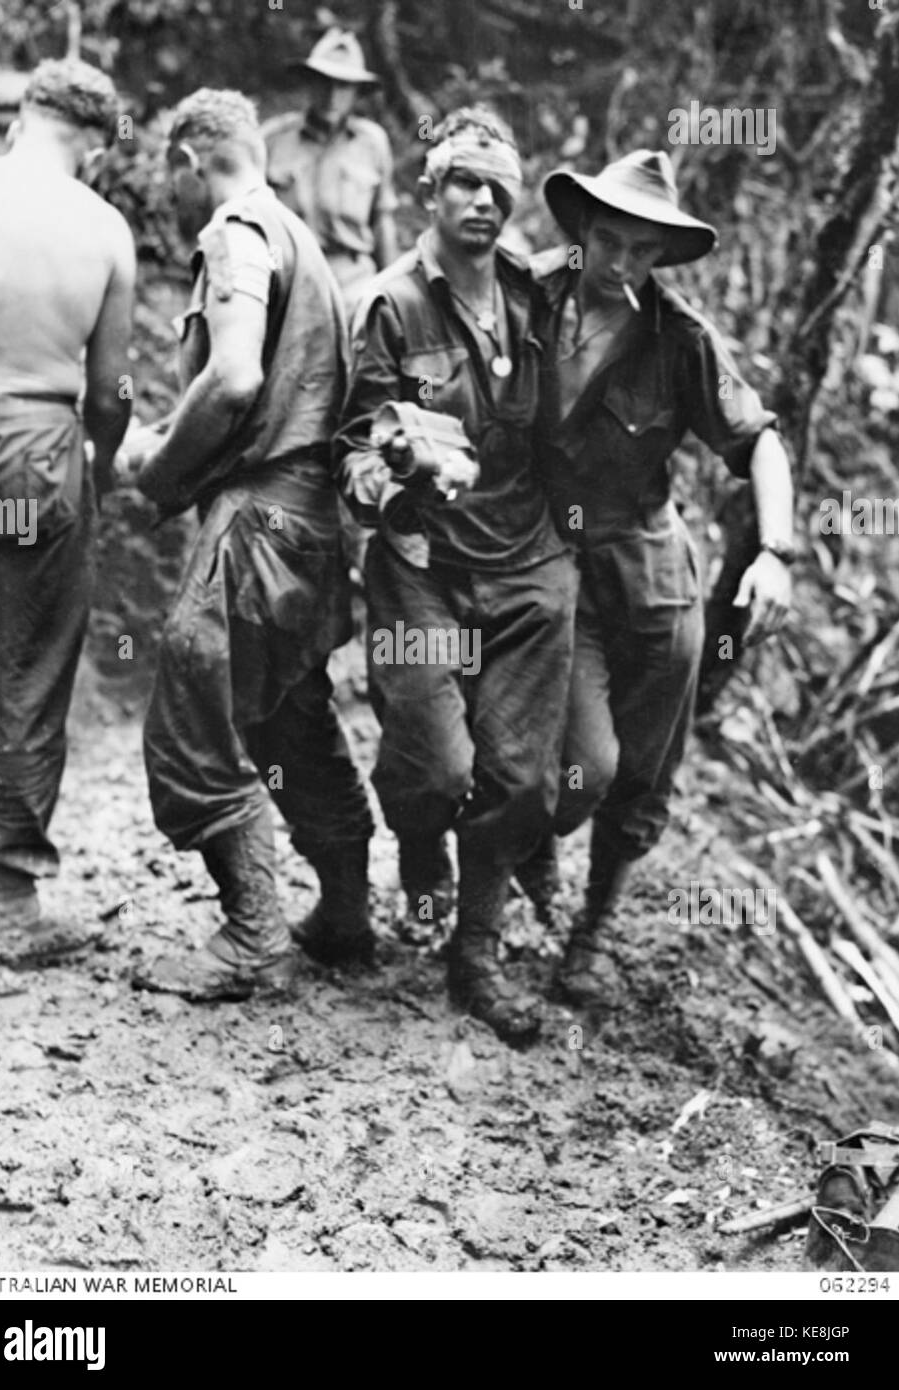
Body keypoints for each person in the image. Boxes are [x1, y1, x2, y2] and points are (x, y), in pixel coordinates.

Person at [120, 88, 374, 1003]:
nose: (169, 193)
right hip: (305, 520)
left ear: (190, 160)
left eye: (167, 174)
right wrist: (171, 435)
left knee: (193, 705)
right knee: (285, 713)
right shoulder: (298, 237)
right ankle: (345, 915)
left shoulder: (233, 233)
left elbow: (233, 379)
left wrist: (156, 479)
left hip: (257, 522)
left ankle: (252, 935)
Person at [530, 148, 794, 1012]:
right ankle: (530, 842)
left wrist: (776, 553)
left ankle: (591, 936)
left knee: (640, 774)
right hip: (552, 573)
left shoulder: (678, 339)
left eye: (641, 251)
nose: (619, 265)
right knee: (580, 766)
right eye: (607, 241)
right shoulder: (525, 297)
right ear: (581, 232)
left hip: (650, 587)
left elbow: (757, 439)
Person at [335, 108, 579, 1045]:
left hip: (527, 567)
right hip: (423, 567)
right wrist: (401, 472)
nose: (480, 202)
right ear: (426, 192)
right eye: (460, 184)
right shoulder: (389, 304)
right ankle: (418, 849)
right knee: (434, 767)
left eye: (497, 188)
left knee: (521, 780)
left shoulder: (540, 292)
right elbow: (353, 449)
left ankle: (475, 953)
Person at [0, 59, 135, 969]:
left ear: (23, 114)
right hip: (37, 452)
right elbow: (109, 393)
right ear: (96, 148)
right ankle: (11, 911)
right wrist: (96, 460)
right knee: (26, 671)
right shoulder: (102, 228)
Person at [261, 27, 398, 319]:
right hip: (285, 274)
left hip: (352, 279)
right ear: (309, 83)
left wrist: (392, 289)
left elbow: (382, 221)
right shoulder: (274, 139)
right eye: (324, 82)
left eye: (344, 86)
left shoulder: (372, 143)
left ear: (358, 92)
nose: (333, 95)